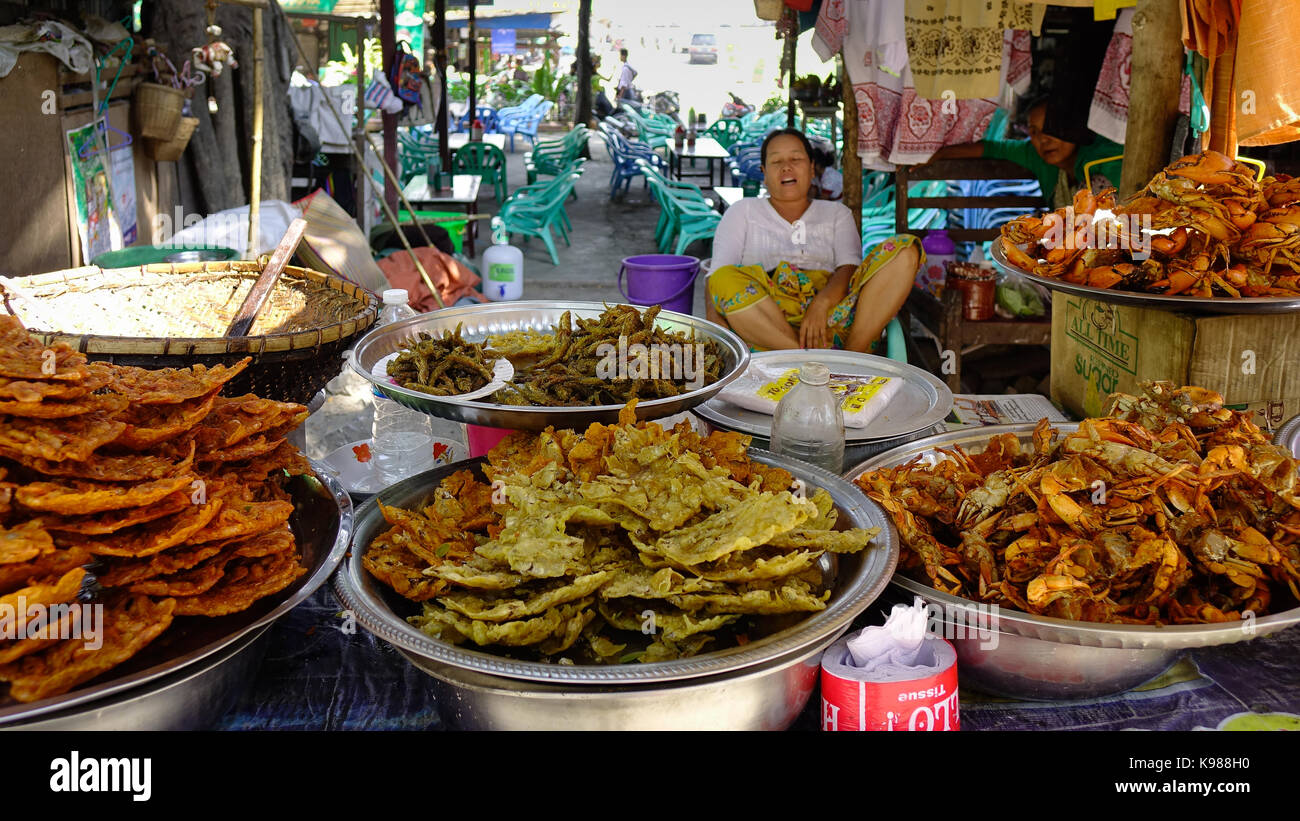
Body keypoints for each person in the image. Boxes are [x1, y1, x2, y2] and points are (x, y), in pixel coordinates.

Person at [706, 129, 921, 353]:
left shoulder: (837, 213)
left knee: (905, 250)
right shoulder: (742, 211)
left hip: (832, 318)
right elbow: (716, 275)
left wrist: (821, 304)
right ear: (764, 173)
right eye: (776, 161)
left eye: (796, 159)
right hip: (765, 324)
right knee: (723, 278)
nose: (786, 167)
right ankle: (809, 360)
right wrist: (713, 321)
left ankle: (853, 357)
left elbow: (849, 268)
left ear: (811, 169)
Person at [932, 98, 1123, 208]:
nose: (1043, 139)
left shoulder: (1103, 156)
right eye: (1034, 131)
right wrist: (936, 155)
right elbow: (991, 148)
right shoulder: (1035, 154)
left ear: (1072, 127)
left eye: (1051, 128)